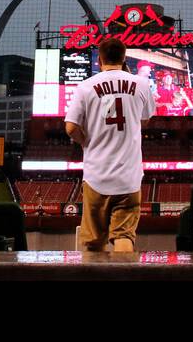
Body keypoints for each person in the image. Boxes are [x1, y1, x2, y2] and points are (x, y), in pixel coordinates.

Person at [64, 35, 156, 251]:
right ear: (125, 58)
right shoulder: (141, 84)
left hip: (97, 175)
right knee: (123, 237)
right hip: (129, 177)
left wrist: (85, 142)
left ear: (99, 60)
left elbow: (70, 128)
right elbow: (146, 119)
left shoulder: (86, 86)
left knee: (93, 242)